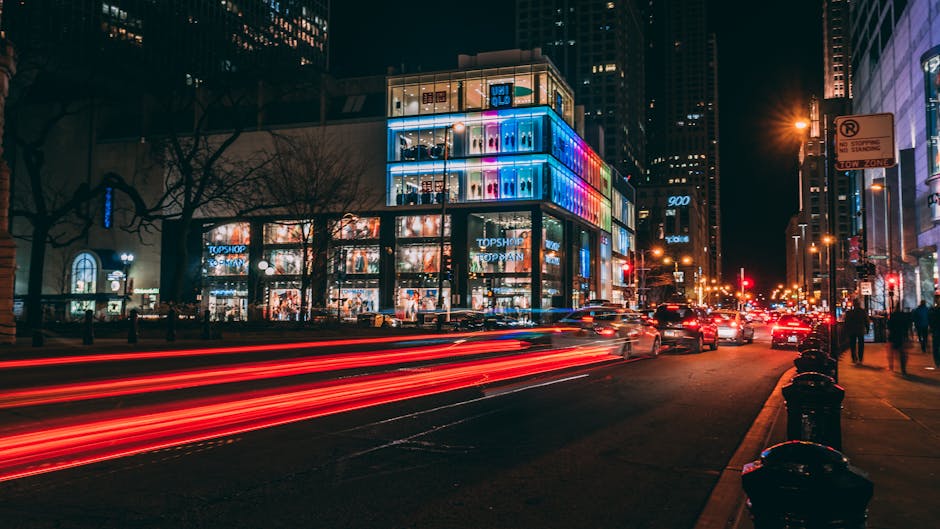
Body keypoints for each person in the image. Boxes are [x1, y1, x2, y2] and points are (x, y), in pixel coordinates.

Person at [843, 299, 870, 364]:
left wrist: (846, 330)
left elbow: (846, 323)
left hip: (852, 330)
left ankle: (854, 358)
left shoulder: (849, 313)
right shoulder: (862, 312)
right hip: (860, 330)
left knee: (852, 345)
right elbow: (866, 321)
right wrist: (867, 329)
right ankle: (860, 358)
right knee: (861, 345)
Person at [886, 304, 910, 375]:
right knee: (902, 353)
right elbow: (906, 326)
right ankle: (903, 369)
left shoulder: (892, 315)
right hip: (901, 335)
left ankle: (891, 366)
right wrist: (906, 335)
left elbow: (889, 325)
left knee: (891, 353)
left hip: (893, 335)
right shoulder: (903, 315)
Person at [929, 296, 940, 368]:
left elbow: (931, 321)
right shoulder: (934, 311)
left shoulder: (934, 311)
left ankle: (937, 361)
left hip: (936, 331)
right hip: (936, 330)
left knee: (936, 347)